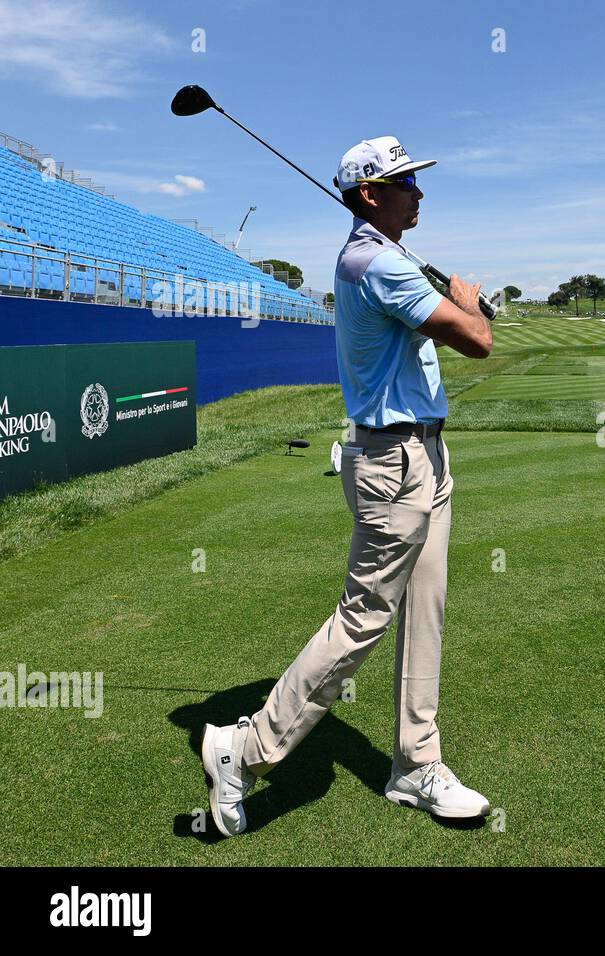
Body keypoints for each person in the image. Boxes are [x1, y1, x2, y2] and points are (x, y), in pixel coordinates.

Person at [200, 136, 495, 838]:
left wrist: (449, 297)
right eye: (405, 184)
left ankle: (416, 764)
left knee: (427, 611)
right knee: (364, 618)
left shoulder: (384, 256)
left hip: (426, 457)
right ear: (370, 193)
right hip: (394, 466)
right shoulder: (375, 262)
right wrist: (467, 301)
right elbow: (477, 341)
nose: (419, 194)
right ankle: (242, 752)